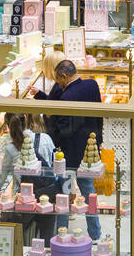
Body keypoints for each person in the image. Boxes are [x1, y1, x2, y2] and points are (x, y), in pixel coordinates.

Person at [33, 59, 103, 239]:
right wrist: (99, 141)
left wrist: (49, 124)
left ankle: (61, 233)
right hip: (89, 150)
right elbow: (98, 116)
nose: (59, 84)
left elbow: (64, 130)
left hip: (69, 155)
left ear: (64, 76)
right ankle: (95, 234)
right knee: (89, 193)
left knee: (63, 194)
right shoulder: (92, 85)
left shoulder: (67, 97)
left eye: (59, 80)